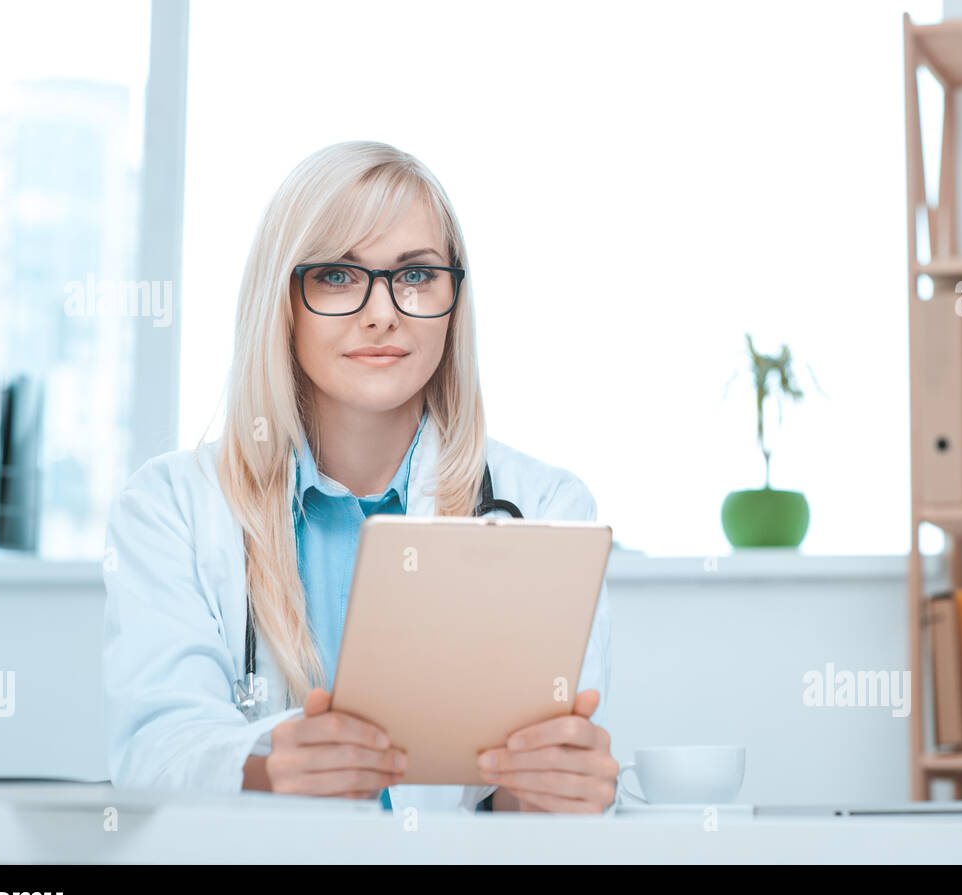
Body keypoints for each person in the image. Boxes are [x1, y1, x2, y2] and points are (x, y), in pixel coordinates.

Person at [102, 142, 616, 813]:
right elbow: (153, 750)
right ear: (283, 299)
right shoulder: (169, 507)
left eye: (416, 276)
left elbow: (531, 801)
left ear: (454, 301)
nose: (382, 313)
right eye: (339, 276)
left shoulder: (547, 506)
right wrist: (266, 764)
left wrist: (551, 789)